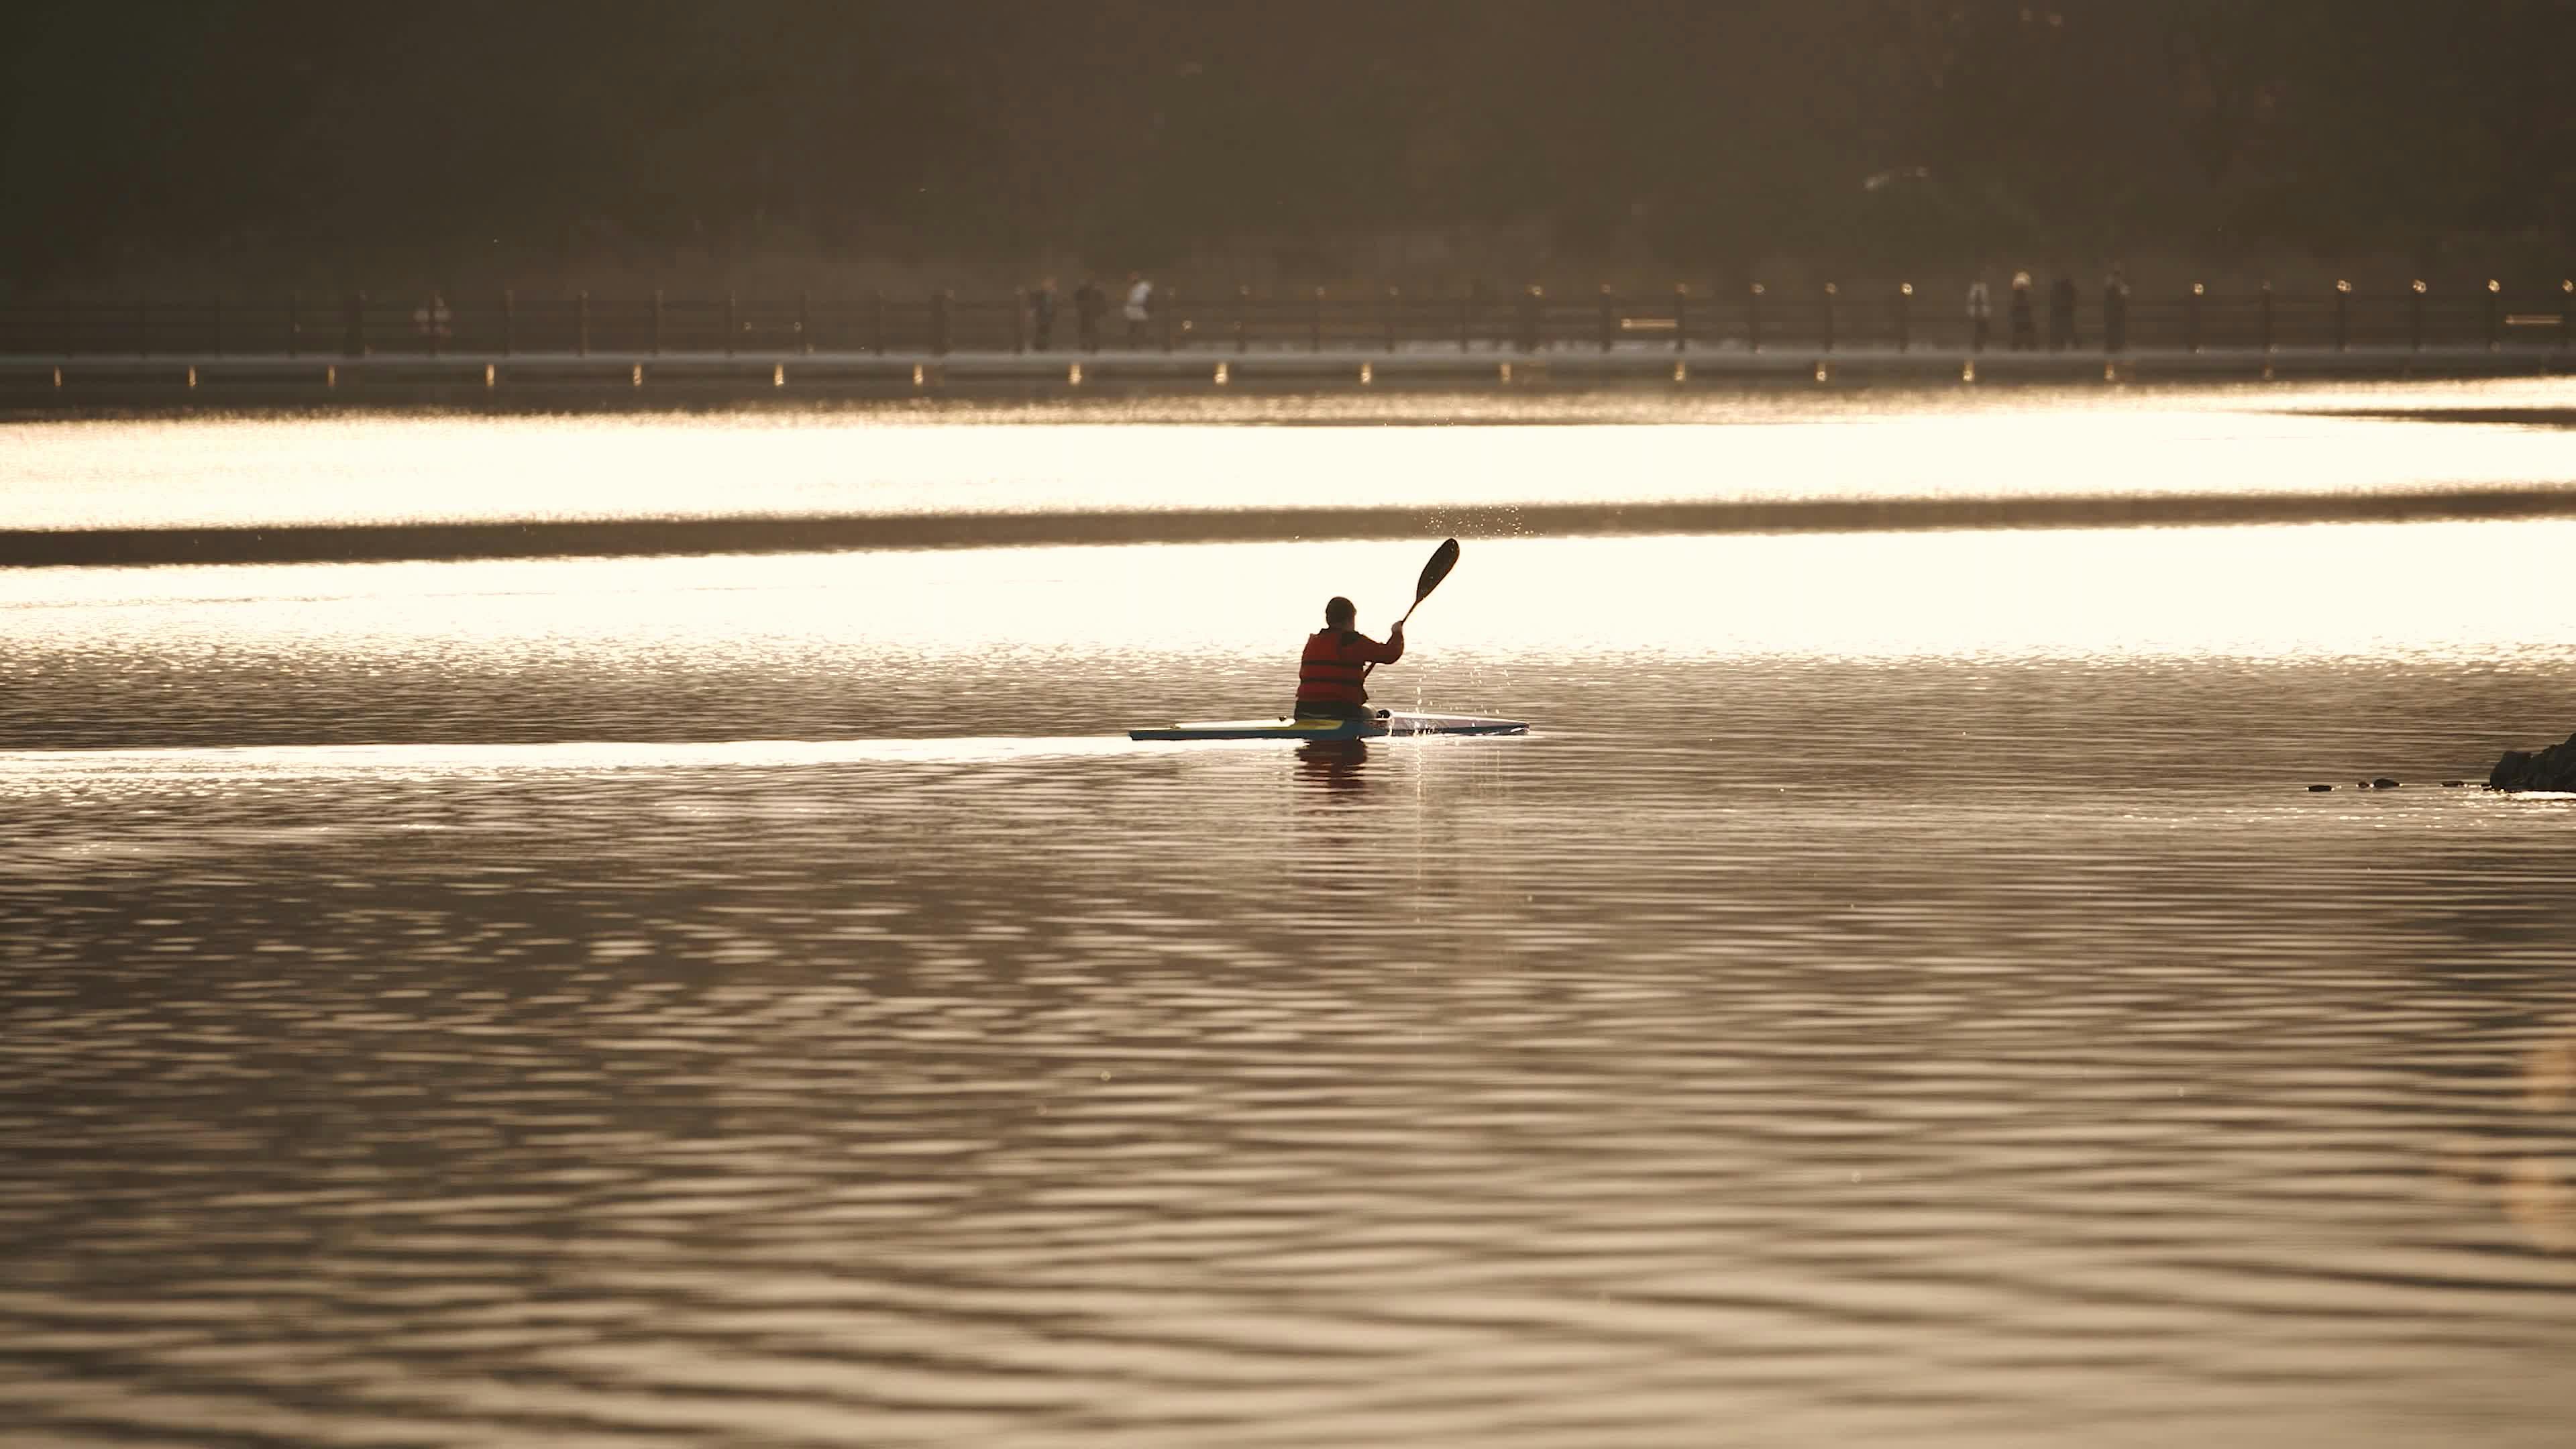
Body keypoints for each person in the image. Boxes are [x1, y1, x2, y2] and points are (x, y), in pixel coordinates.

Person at [1295, 596, 1405, 721]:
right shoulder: (1352, 640)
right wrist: (1397, 633)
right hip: (1341, 712)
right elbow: (1390, 654)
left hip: (1303, 711)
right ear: (1350, 619)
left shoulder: (1313, 642)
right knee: (1371, 711)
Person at [2101, 264, 2129, 354]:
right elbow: (2107, 296)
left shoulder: (2122, 285)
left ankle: (2118, 345)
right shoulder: (2110, 283)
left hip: (2118, 310)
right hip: (2112, 310)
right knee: (2111, 328)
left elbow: (2125, 296)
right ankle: (2111, 346)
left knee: (2118, 328)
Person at [1073, 278, 1105, 352]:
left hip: (1090, 314)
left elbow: (1102, 302)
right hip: (1087, 314)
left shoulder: (1093, 292)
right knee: (1089, 330)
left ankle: (1090, 346)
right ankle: (1089, 346)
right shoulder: (1086, 291)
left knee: (1089, 330)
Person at [2047, 273, 2078, 351]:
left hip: (2064, 310)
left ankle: (2061, 344)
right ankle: (2060, 344)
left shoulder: (2061, 288)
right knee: (2062, 327)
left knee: (2063, 327)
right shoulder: (2062, 288)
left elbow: (2073, 297)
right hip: (2063, 310)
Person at [1123, 271, 1153, 347]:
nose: (1133, 279)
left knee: (1141, 326)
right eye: (1132, 278)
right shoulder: (1131, 288)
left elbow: (1148, 295)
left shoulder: (1144, 286)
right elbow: (1129, 299)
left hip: (1140, 309)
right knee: (1133, 326)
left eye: (1135, 277)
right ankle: (1133, 344)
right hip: (1132, 309)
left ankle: (1141, 342)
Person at [1028, 276, 1058, 351]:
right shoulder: (1041, 293)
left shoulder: (1052, 294)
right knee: (1041, 331)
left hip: (1048, 315)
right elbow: (1035, 300)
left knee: (1046, 331)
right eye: (1048, 283)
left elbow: (1053, 305)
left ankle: (1044, 346)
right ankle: (1038, 347)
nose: (1049, 285)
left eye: (1050, 284)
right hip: (1041, 315)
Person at [2007, 272, 2035, 351]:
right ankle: (2029, 346)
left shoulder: (2018, 295)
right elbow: (2026, 306)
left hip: (2020, 316)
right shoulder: (2022, 296)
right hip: (2023, 316)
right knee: (2025, 331)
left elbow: (2015, 306)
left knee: (2019, 331)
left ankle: (2017, 346)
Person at [1965, 276, 1992, 353]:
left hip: (1981, 313)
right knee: (1978, 330)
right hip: (1978, 313)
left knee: (1981, 330)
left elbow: (1985, 301)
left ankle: (1979, 346)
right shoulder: (1977, 289)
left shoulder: (1981, 288)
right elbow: (1973, 300)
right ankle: (1977, 346)